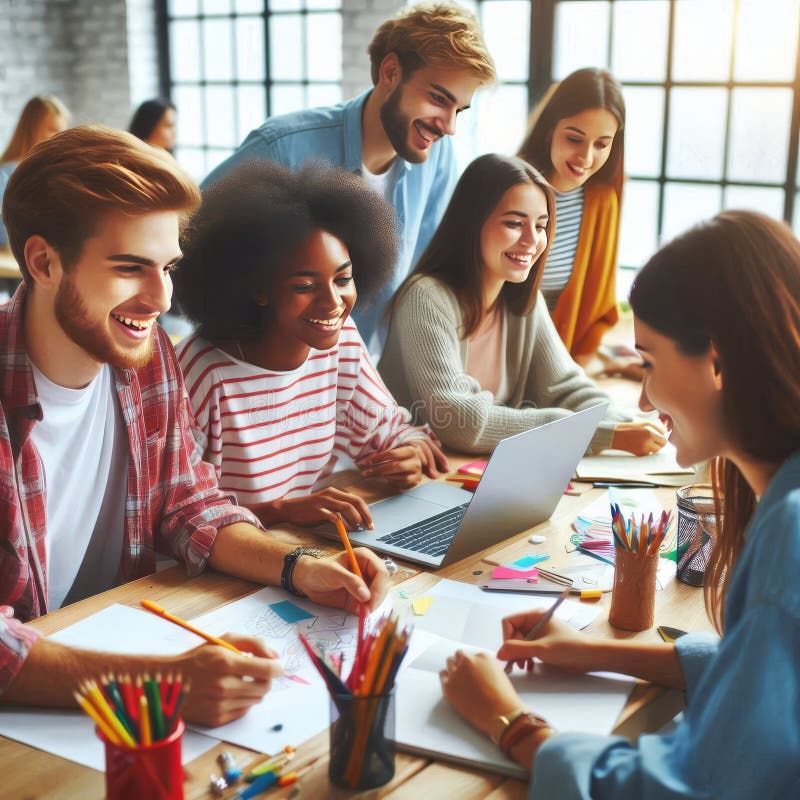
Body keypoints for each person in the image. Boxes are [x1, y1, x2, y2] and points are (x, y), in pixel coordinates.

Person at [0, 126, 388, 726]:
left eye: (168, 267)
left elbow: (188, 504)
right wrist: (165, 685)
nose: (161, 298)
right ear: (44, 262)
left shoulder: (147, 356)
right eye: (131, 268)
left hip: (106, 677)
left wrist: (300, 565)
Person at [440, 210, 800, 799]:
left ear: (717, 361)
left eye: (649, 364)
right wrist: (590, 652)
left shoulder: (790, 526)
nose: (646, 396)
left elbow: (690, 789)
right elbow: (761, 669)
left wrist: (509, 721)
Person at [202, 2, 496, 350]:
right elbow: (187, 240)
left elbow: (425, 275)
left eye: (458, 110)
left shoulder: (438, 156)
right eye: (437, 99)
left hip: (364, 373)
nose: (449, 127)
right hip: (271, 374)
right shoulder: (282, 148)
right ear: (390, 73)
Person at [174, 160, 448, 531]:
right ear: (258, 289)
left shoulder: (340, 340)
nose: (333, 302)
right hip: (221, 571)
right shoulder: (201, 371)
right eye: (305, 286)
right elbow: (179, 513)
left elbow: (387, 432)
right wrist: (283, 509)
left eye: (343, 278)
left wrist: (407, 455)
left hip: (311, 548)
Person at [379, 153, 666, 456]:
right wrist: (600, 434)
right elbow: (458, 421)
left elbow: (567, 389)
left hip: (476, 472)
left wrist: (630, 424)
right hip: (414, 478)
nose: (532, 241)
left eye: (541, 226)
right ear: (471, 223)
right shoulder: (425, 298)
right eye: (515, 223)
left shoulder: (522, 300)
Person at [518, 68, 639, 378]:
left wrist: (585, 362)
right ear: (549, 129)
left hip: (565, 360)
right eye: (574, 138)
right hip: (505, 359)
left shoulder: (602, 201)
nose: (586, 157)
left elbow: (598, 305)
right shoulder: (511, 188)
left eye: (602, 144)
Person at [0, 95, 70, 247]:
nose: (60, 137)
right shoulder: (7, 174)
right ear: (31, 130)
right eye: (52, 129)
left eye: (63, 131)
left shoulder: (56, 174)